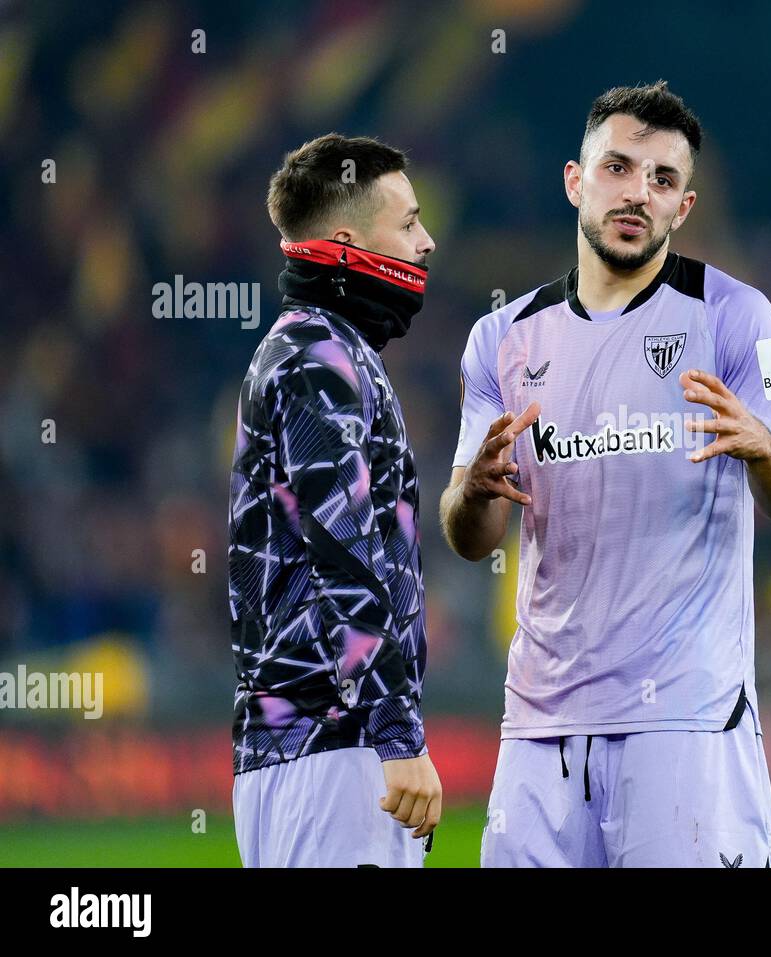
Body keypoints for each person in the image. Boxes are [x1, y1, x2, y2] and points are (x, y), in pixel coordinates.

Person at [441, 82, 771, 867]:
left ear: (683, 208)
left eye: (662, 179)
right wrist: (471, 491)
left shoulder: (735, 317)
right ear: (576, 180)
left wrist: (763, 447)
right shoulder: (501, 339)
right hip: (540, 725)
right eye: (618, 167)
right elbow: (471, 536)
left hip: (687, 720)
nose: (637, 193)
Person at [228, 133, 441, 866]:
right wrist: (397, 734)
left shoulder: (322, 346)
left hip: (311, 746)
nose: (427, 241)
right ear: (349, 244)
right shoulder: (319, 357)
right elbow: (342, 554)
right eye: (409, 221)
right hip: (333, 746)